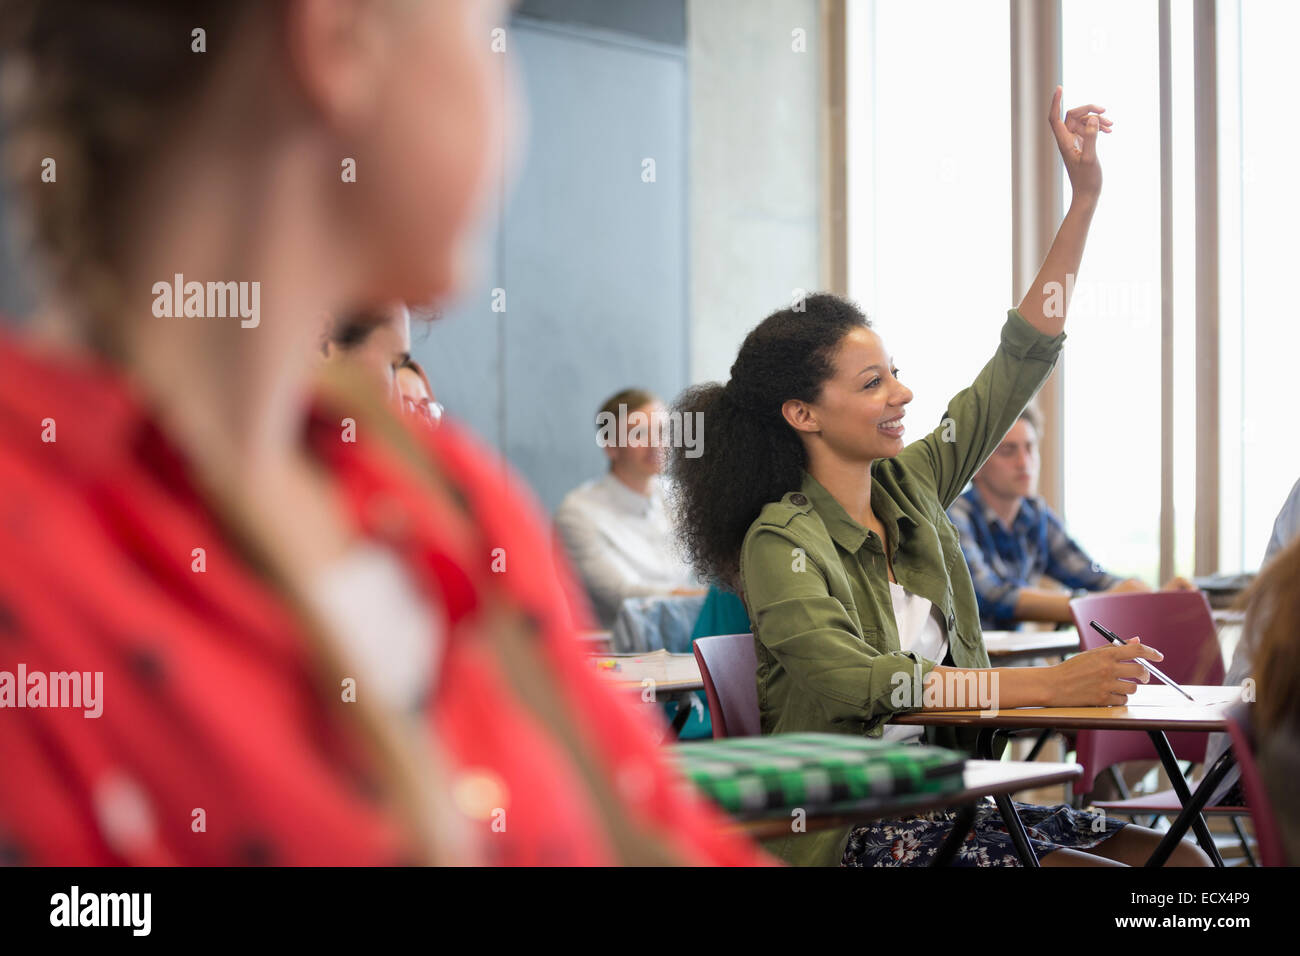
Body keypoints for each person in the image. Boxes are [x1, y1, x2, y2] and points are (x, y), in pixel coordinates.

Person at [0, 0, 766, 866]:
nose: (508, 97)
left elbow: (673, 839)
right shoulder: (29, 557)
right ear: (338, 38)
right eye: (489, 29)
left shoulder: (442, 492)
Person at [669, 88, 1209, 868]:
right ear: (803, 414)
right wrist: (1049, 686)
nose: (903, 395)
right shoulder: (777, 542)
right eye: (871, 384)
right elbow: (869, 684)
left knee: (1179, 866)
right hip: (849, 826)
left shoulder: (911, 485)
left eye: (897, 373)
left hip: (957, 803)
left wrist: (1084, 199)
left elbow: (1018, 361)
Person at [947, 404, 1195, 631]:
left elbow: (1092, 575)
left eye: (1030, 448)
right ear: (976, 464)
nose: (1024, 462)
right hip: (971, 673)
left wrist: (1155, 596)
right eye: (1008, 451)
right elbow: (990, 595)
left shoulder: (1035, 515)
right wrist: (1095, 603)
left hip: (1016, 664)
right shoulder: (955, 515)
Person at [554, 388, 704, 629]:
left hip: (684, 638)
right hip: (619, 650)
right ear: (611, 447)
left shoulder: (678, 496)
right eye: (640, 433)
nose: (656, 443)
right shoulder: (577, 513)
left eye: (662, 431)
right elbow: (622, 594)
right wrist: (704, 598)